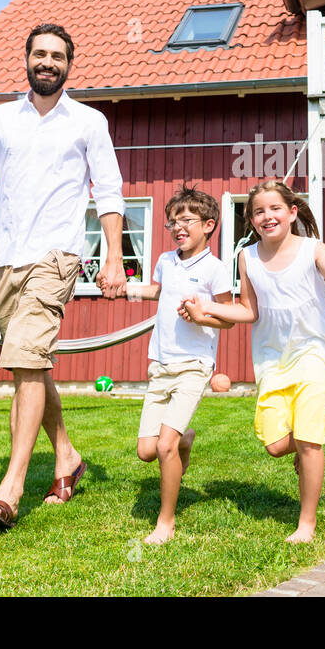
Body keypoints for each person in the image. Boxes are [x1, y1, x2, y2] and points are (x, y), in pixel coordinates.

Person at [0, 22, 127, 530]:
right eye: (39, 54)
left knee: (21, 359)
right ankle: (66, 457)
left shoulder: (89, 122)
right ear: (26, 59)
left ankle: (10, 489)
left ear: (69, 64)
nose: (47, 62)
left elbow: (108, 191)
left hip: (55, 257)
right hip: (4, 259)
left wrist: (113, 257)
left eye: (57, 56)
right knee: (33, 365)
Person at [181, 181, 325, 543]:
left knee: (309, 440)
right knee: (277, 444)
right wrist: (206, 310)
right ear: (250, 220)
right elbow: (249, 310)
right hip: (272, 362)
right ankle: (308, 441)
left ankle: (306, 524)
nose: (268, 216)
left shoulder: (313, 250)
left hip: (313, 355)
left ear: (292, 212)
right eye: (259, 211)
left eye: (275, 208)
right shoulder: (247, 257)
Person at [125, 186, 234, 544]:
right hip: (161, 364)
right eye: (173, 221)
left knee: (163, 447)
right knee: (145, 450)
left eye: (186, 220)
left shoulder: (215, 269)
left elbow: (229, 317)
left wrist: (201, 316)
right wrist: (124, 288)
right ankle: (185, 441)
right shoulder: (164, 261)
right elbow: (159, 293)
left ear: (209, 225)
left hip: (194, 365)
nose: (177, 226)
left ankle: (165, 523)